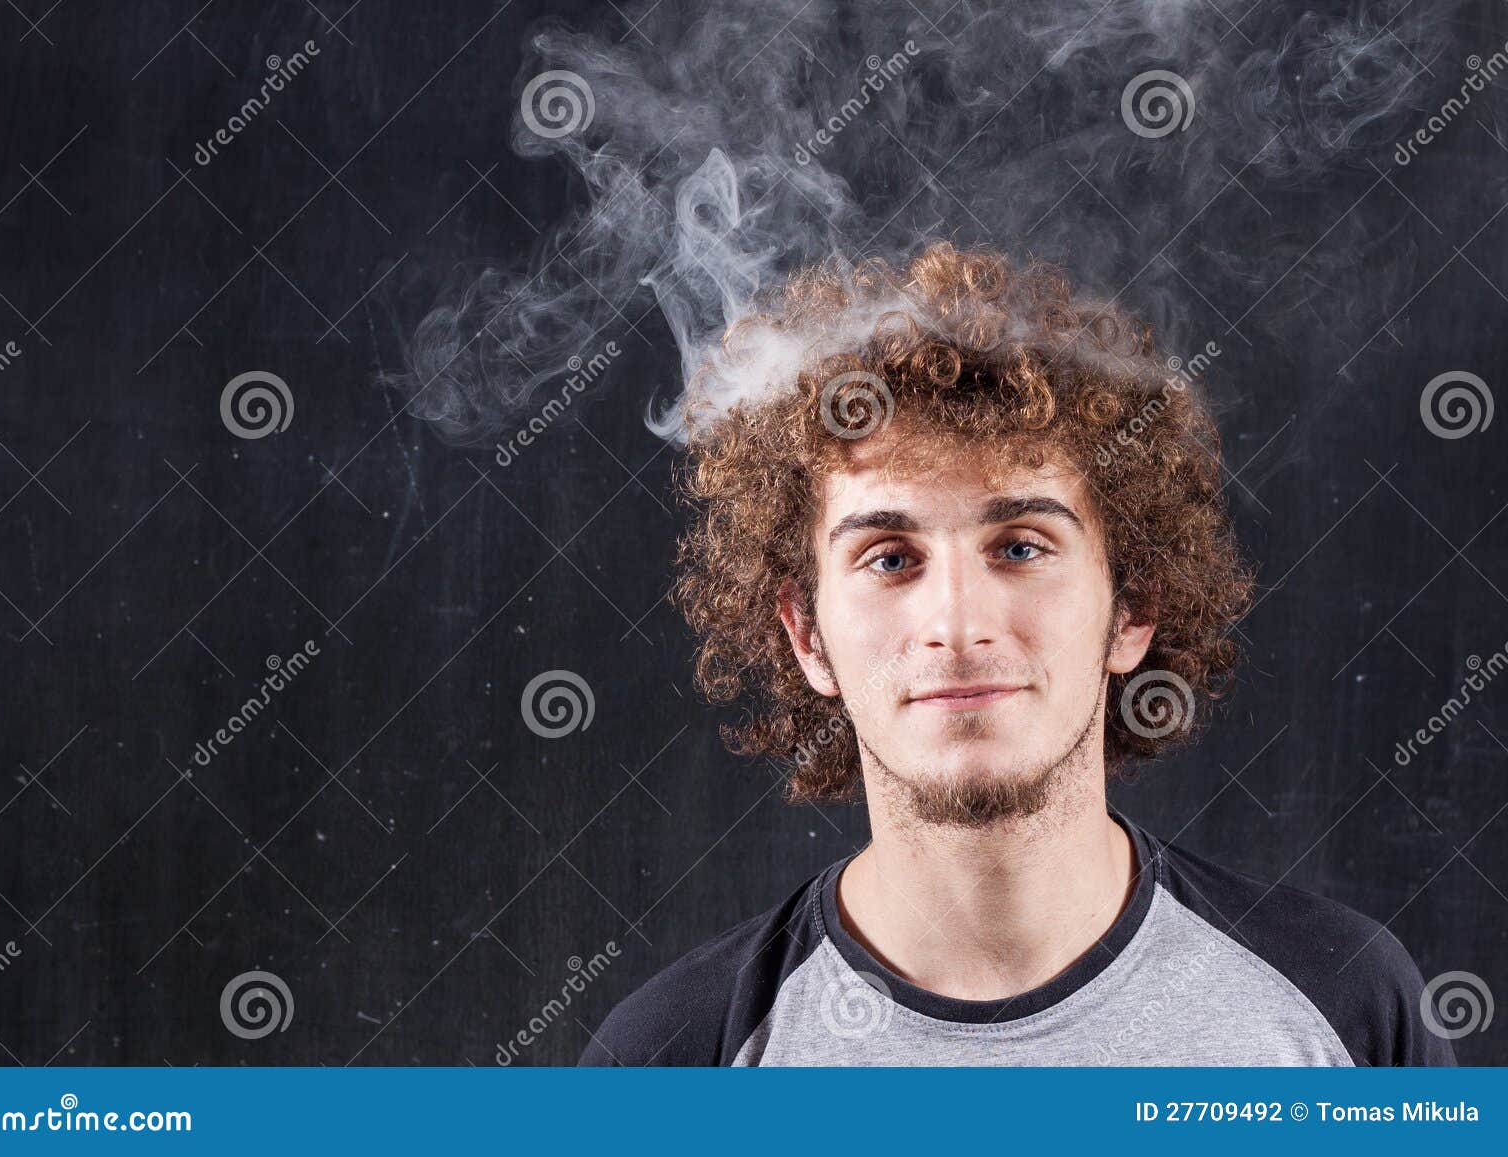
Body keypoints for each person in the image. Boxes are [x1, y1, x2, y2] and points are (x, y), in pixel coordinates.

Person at [578, 243, 1455, 1066]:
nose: (958, 625)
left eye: (1021, 547)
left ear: (1132, 608)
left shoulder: (1344, 1007)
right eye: (890, 558)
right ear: (808, 635)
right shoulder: (675, 1058)